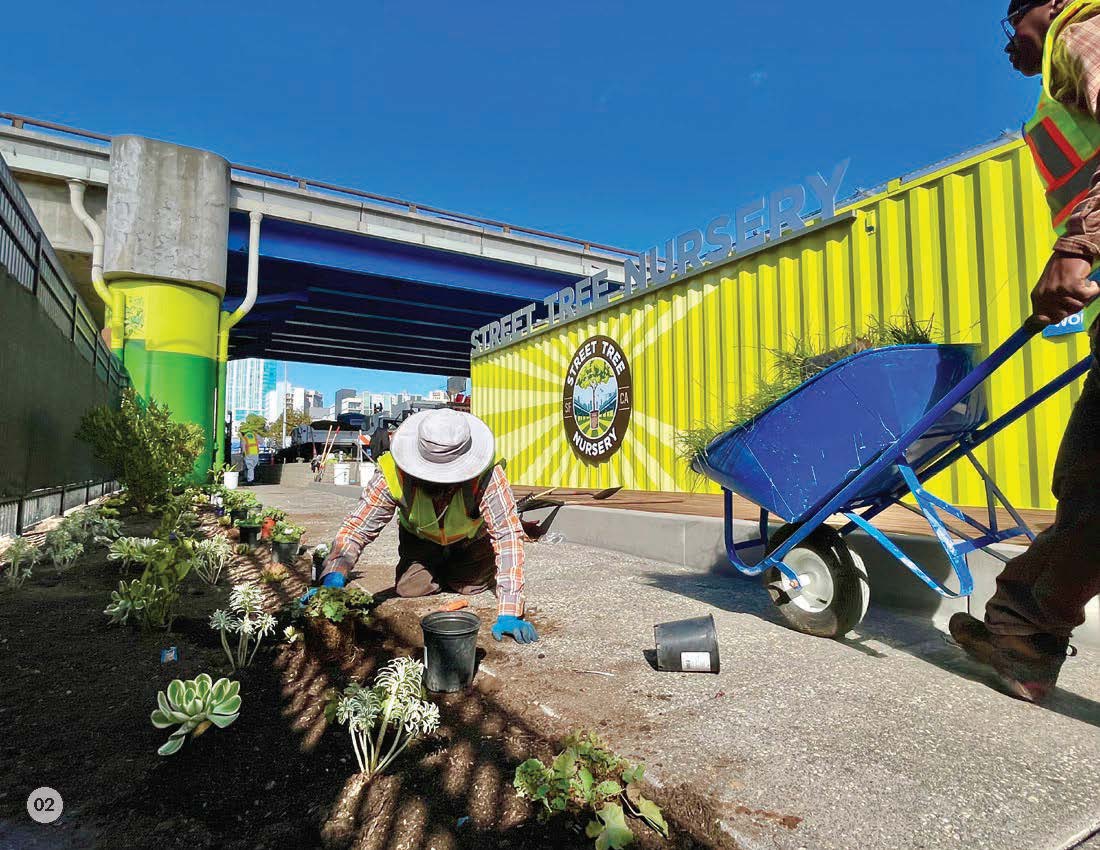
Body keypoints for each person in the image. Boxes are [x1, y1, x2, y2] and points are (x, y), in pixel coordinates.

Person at [949, 0, 1100, 703]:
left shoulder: (1083, 30)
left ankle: (1024, 627)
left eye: (1010, 20)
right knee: (1087, 483)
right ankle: (1023, 634)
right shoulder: (1058, 70)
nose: (1008, 40)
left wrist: (1078, 248)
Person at [307, 408, 538, 644]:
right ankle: (437, 567)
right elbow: (358, 527)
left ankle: (462, 571)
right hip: (420, 540)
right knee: (410, 589)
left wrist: (510, 610)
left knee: (469, 587)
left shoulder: (487, 474)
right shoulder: (392, 473)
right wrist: (333, 577)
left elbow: (507, 535)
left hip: (471, 542)